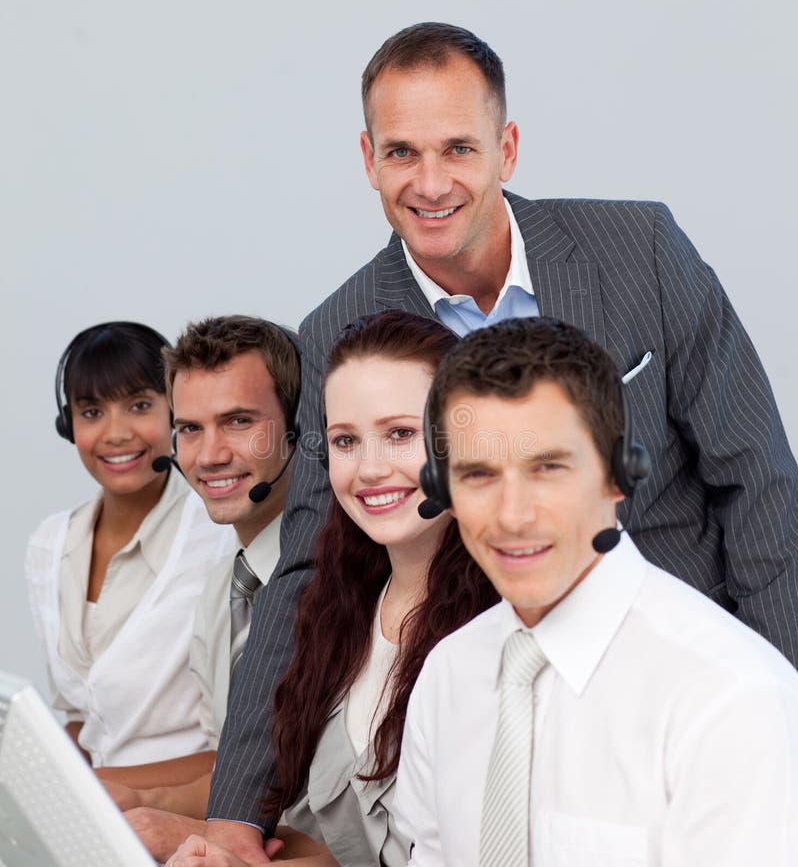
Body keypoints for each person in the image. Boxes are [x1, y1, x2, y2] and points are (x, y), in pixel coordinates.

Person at [206, 22, 798, 855]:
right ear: (369, 160)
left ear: (507, 147)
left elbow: (760, 481)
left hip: (671, 677)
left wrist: (777, 707)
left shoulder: (644, 254)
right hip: (486, 694)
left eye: (458, 148)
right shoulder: (337, 332)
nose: (432, 182)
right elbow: (306, 566)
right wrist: (238, 816)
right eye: (403, 153)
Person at [392, 316, 798, 866]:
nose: (512, 517)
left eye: (548, 468)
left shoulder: (730, 700)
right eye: (479, 475)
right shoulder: (448, 675)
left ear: (619, 475)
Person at [166, 311, 497, 867]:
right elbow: (343, 846)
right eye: (346, 440)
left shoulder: (501, 627)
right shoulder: (334, 612)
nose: (368, 468)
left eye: (400, 434)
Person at [101, 316, 300, 863]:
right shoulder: (222, 590)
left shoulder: (339, 586)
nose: (208, 455)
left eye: (238, 421)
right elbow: (233, 765)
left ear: (299, 426)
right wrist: (139, 797)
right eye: (190, 428)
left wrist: (191, 835)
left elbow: (355, 826)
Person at [25, 321, 234, 770]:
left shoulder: (218, 541)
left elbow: (241, 755)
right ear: (69, 426)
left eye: (139, 405)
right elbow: (83, 722)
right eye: (92, 412)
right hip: (103, 818)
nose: (115, 433)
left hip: (191, 819)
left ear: (176, 413)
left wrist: (104, 789)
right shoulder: (50, 545)